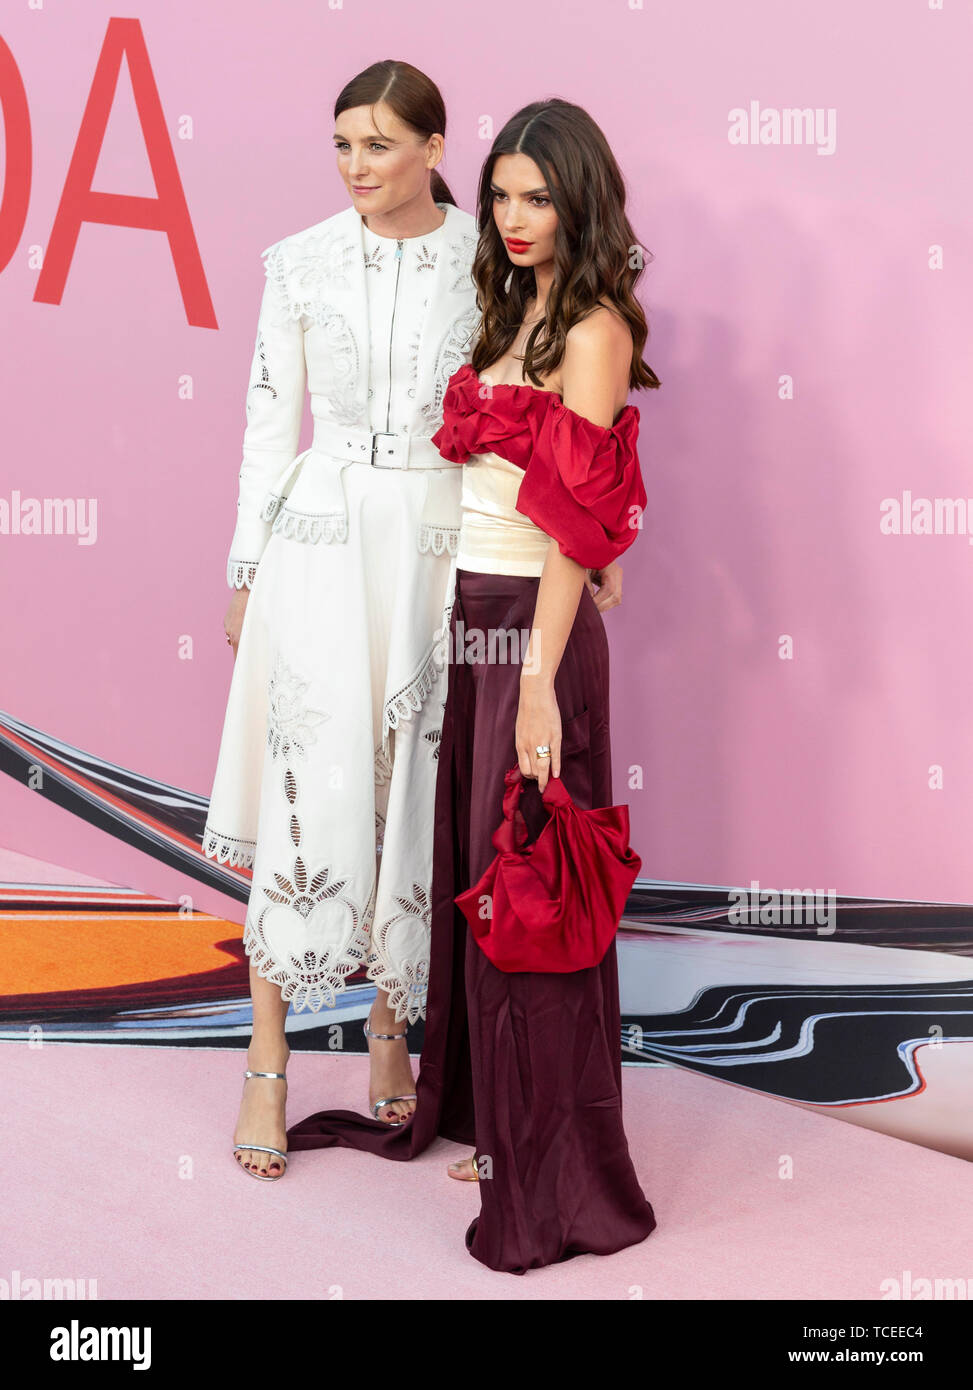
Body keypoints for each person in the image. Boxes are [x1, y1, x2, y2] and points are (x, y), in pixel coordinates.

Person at [288, 97, 660, 1274]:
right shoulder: (511, 308)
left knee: (532, 884)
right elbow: (550, 510)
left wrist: (543, 674)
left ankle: (547, 1164)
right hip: (473, 617)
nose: (509, 217)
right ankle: (494, 1120)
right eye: (499, 194)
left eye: (535, 198)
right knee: (478, 869)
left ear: (578, 201)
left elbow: (565, 525)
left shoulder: (593, 328)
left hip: (529, 642)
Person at [201, 60, 479, 1180]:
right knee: (306, 783)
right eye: (343, 145)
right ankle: (266, 1062)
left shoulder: (485, 257)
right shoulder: (299, 262)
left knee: (414, 782)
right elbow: (269, 423)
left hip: (438, 540)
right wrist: (243, 565)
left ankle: (389, 1028)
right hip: (318, 542)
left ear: (432, 146)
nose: (356, 166)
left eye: (378, 145)